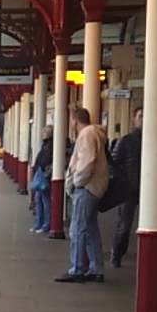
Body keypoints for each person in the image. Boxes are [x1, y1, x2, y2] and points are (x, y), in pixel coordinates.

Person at [56, 107, 109, 283]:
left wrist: (77, 182)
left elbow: (86, 162)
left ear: (75, 121)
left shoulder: (86, 135)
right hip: (95, 187)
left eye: (71, 120)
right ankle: (96, 268)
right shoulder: (94, 134)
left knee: (77, 228)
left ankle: (77, 269)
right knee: (91, 229)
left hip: (87, 188)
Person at [110, 107, 143, 267]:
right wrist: (122, 182)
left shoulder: (155, 140)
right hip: (129, 189)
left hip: (148, 190)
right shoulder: (126, 141)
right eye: (140, 116)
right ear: (134, 119)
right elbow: (114, 162)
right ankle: (117, 253)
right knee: (124, 225)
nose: (144, 120)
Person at [30, 125, 54, 233]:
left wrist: (39, 167)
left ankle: (45, 225)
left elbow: (45, 159)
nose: (42, 134)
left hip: (43, 175)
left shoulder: (49, 145)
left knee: (44, 201)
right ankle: (40, 224)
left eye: (43, 132)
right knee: (40, 200)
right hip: (42, 174)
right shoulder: (47, 144)